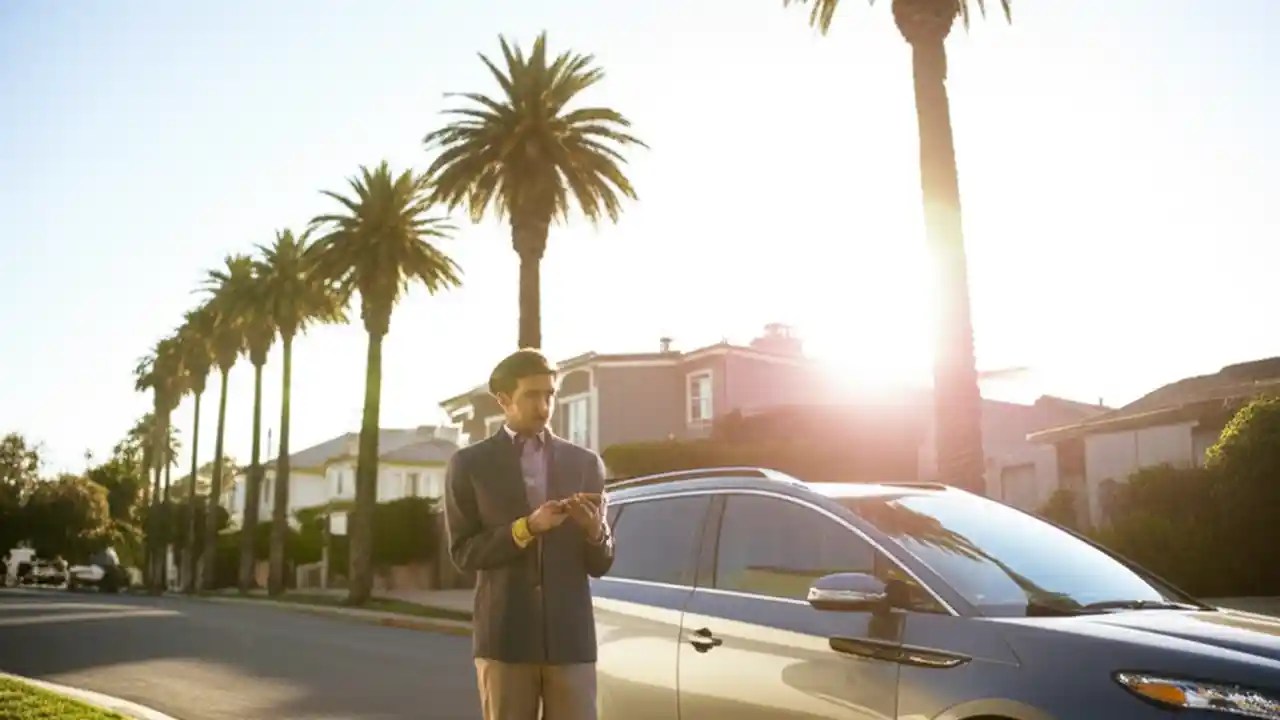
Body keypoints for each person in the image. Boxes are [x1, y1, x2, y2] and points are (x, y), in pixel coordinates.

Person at [445, 348, 615, 720]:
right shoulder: (470, 464)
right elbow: (463, 553)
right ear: (504, 400)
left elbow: (600, 564)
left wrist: (595, 532)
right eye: (532, 395)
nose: (544, 406)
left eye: (549, 394)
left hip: (571, 642)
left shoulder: (585, 464)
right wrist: (527, 528)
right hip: (505, 640)